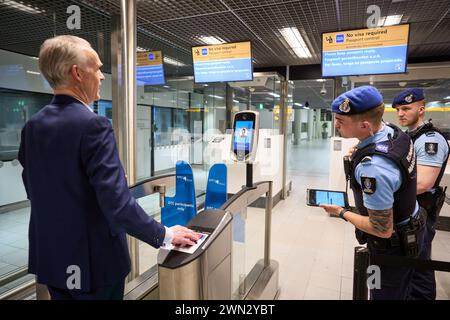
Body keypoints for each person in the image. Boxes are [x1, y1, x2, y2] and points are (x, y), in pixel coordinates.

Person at [18, 35, 200, 300]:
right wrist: (165, 235)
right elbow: (116, 204)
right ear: (77, 73)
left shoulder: (32, 126)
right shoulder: (93, 125)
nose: (102, 76)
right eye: (97, 68)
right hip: (94, 265)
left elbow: (34, 187)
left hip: (51, 257)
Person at [320, 85, 427, 300]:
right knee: (401, 292)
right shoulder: (393, 132)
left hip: (391, 247)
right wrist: (361, 147)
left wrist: (341, 212)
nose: (335, 125)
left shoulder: (373, 168)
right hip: (412, 227)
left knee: (380, 292)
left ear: (365, 125)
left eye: (341, 121)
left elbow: (381, 229)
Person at [393, 88, 449, 300]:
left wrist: (386, 189)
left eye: (406, 108)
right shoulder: (410, 137)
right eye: (398, 109)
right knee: (409, 264)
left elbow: (424, 183)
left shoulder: (429, 140)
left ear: (421, 109)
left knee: (419, 268)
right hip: (410, 211)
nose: (400, 113)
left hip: (421, 213)